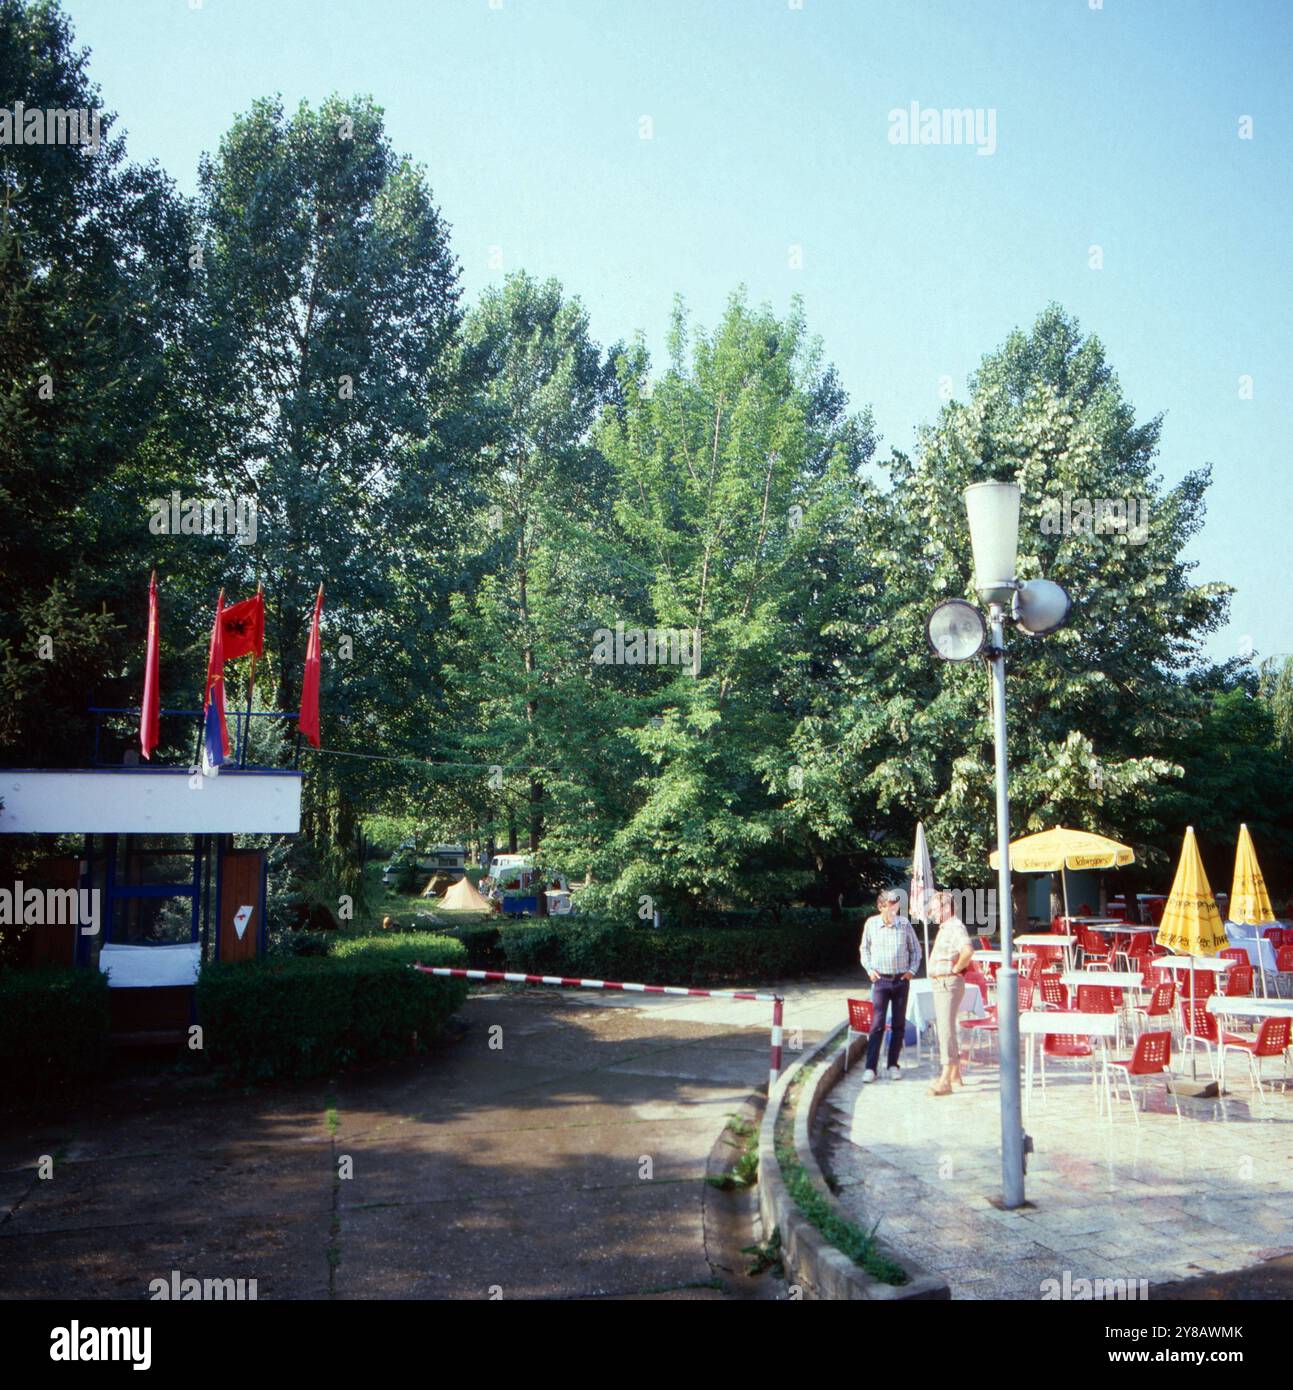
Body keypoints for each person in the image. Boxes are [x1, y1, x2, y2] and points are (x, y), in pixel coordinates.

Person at [859, 889, 922, 1083]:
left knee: (898, 1024)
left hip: (901, 980)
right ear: (881, 907)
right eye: (890, 905)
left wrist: (911, 971)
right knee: (877, 1024)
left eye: (896, 905)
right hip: (880, 981)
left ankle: (893, 1064)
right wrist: (869, 969)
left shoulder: (904, 924)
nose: (894, 909)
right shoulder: (871, 924)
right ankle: (871, 1068)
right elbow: (864, 949)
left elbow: (916, 950)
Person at [926, 890, 975, 1096]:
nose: (932, 913)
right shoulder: (946, 927)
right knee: (948, 1029)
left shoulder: (955, 926)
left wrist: (956, 969)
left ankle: (945, 1079)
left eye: (935, 909)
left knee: (945, 1030)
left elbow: (968, 950)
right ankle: (955, 1074)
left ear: (946, 908)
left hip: (948, 983)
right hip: (943, 983)